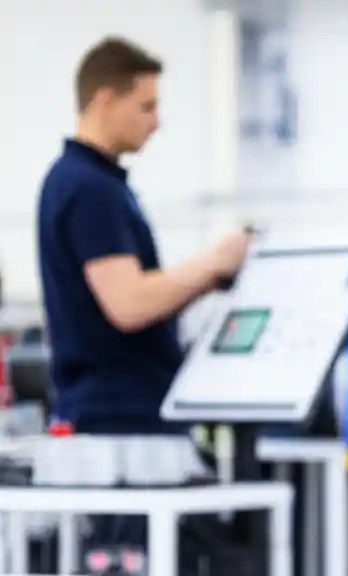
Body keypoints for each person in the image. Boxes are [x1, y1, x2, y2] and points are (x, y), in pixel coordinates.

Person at [37, 36, 251, 434]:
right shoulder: (89, 187)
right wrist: (214, 260)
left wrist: (206, 281)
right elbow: (129, 304)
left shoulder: (91, 184)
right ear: (104, 101)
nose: (156, 121)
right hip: (118, 422)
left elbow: (134, 299)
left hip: (122, 414)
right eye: (146, 107)